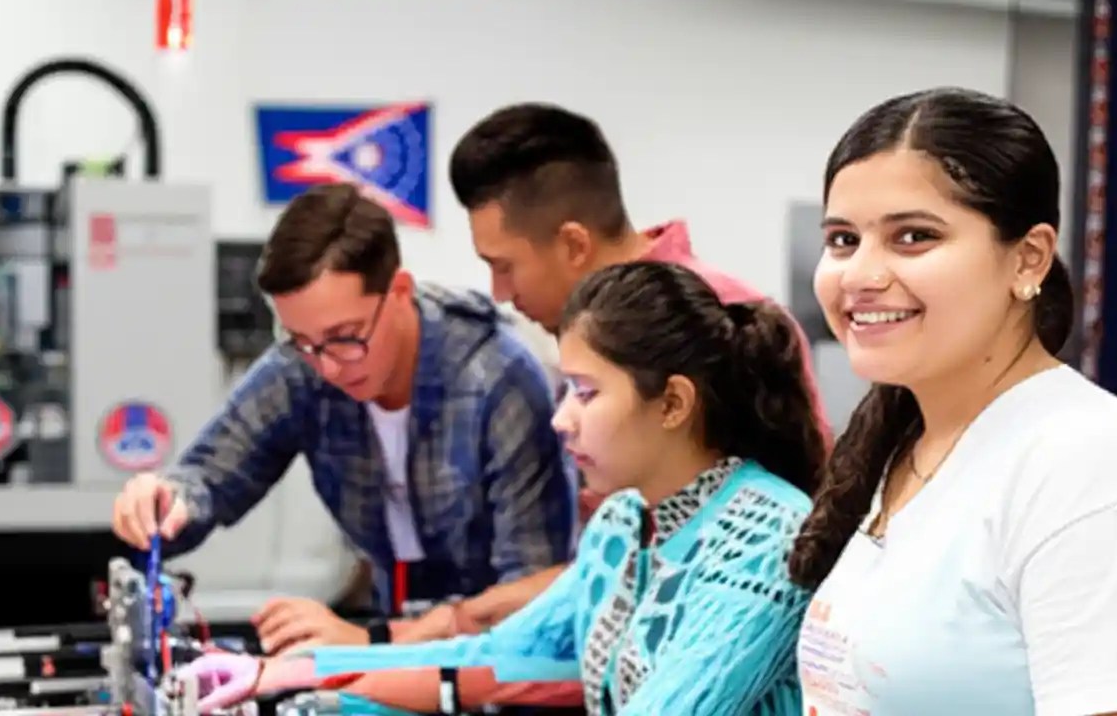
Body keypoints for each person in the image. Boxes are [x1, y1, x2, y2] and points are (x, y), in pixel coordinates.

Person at [178, 261, 828, 715]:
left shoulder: (766, 535)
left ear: (673, 403)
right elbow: (501, 654)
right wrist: (281, 676)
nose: (560, 417)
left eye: (587, 392)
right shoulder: (624, 524)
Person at [788, 87, 1117, 716]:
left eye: (914, 236)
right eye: (843, 239)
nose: (860, 275)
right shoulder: (908, 442)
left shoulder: (1089, 462)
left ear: (1027, 258)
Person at [110, 183, 576, 653]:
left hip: (503, 668)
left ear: (399, 291)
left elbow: (533, 606)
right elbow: (210, 475)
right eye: (302, 341)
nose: (328, 365)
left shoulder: (498, 377)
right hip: (396, 641)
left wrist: (371, 640)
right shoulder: (301, 365)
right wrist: (167, 500)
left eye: (346, 337)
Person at [436, 101, 835, 632]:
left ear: (574, 243)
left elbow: (770, 560)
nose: (499, 294)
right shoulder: (581, 335)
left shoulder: (726, 323)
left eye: (504, 267)